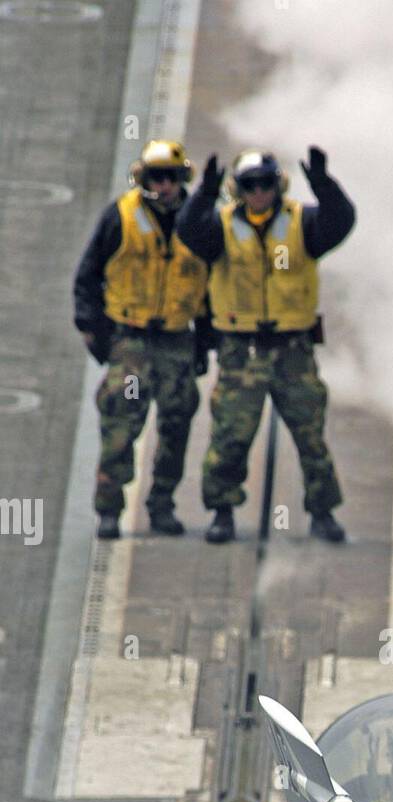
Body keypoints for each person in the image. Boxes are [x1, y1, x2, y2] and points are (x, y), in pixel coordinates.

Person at [175, 146, 355, 543]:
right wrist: (204, 192)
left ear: (278, 185)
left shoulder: (302, 223)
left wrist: (324, 184)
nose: (259, 193)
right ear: (238, 189)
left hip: (292, 349)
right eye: (250, 186)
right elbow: (189, 232)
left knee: (310, 433)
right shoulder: (219, 226)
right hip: (241, 350)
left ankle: (322, 512)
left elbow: (341, 223)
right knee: (231, 435)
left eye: (266, 185)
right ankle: (222, 511)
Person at [73, 139, 211, 539]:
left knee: (176, 423)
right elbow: (88, 277)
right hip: (132, 346)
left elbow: (214, 288)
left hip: (176, 344)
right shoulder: (120, 217)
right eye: (156, 177)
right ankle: (109, 509)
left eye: (171, 177)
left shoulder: (200, 224)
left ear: (182, 178)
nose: (164, 185)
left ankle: (162, 504)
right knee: (123, 418)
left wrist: (204, 346)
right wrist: (97, 337)